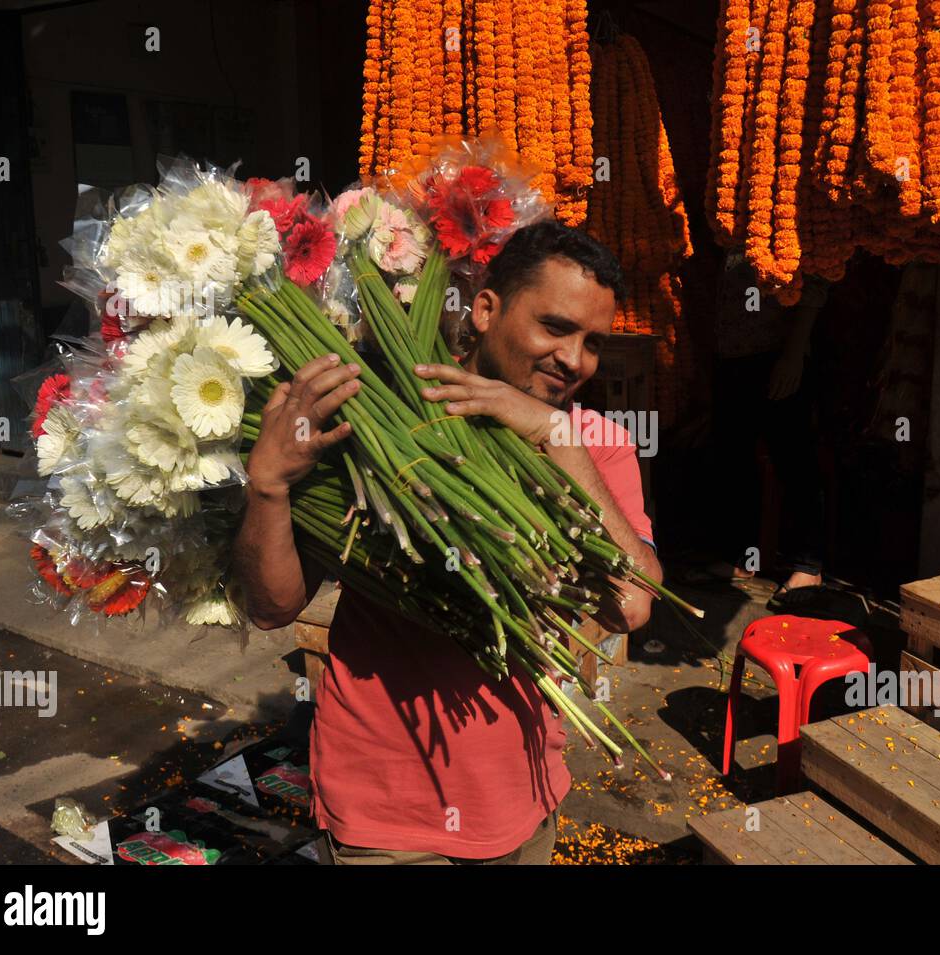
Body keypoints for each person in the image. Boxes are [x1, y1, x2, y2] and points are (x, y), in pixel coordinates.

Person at [233, 222, 661, 864]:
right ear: (486, 309)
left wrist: (554, 435)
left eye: (592, 342)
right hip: (391, 817)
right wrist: (267, 486)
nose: (575, 360)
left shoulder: (593, 444)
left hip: (528, 797)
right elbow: (271, 608)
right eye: (555, 327)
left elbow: (629, 605)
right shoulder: (375, 416)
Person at [691, 246, 828, 611]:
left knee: (793, 458)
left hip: (777, 356)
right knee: (733, 457)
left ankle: (808, 566)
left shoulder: (783, 212)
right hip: (733, 356)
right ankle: (741, 557)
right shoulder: (731, 220)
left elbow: (813, 288)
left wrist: (793, 355)